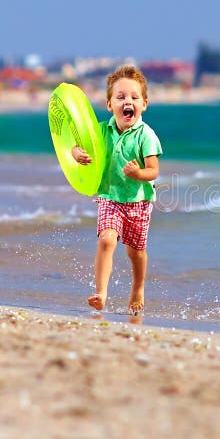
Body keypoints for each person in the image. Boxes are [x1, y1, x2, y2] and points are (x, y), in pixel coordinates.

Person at [71, 65, 163, 315]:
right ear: (109, 104)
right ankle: (101, 293)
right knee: (106, 240)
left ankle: (138, 287)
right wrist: (76, 153)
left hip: (138, 200)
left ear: (144, 103)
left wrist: (137, 173)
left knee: (136, 252)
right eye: (120, 97)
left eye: (134, 97)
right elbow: (77, 147)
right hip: (110, 196)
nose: (127, 102)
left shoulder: (147, 136)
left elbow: (153, 170)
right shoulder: (101, 130)